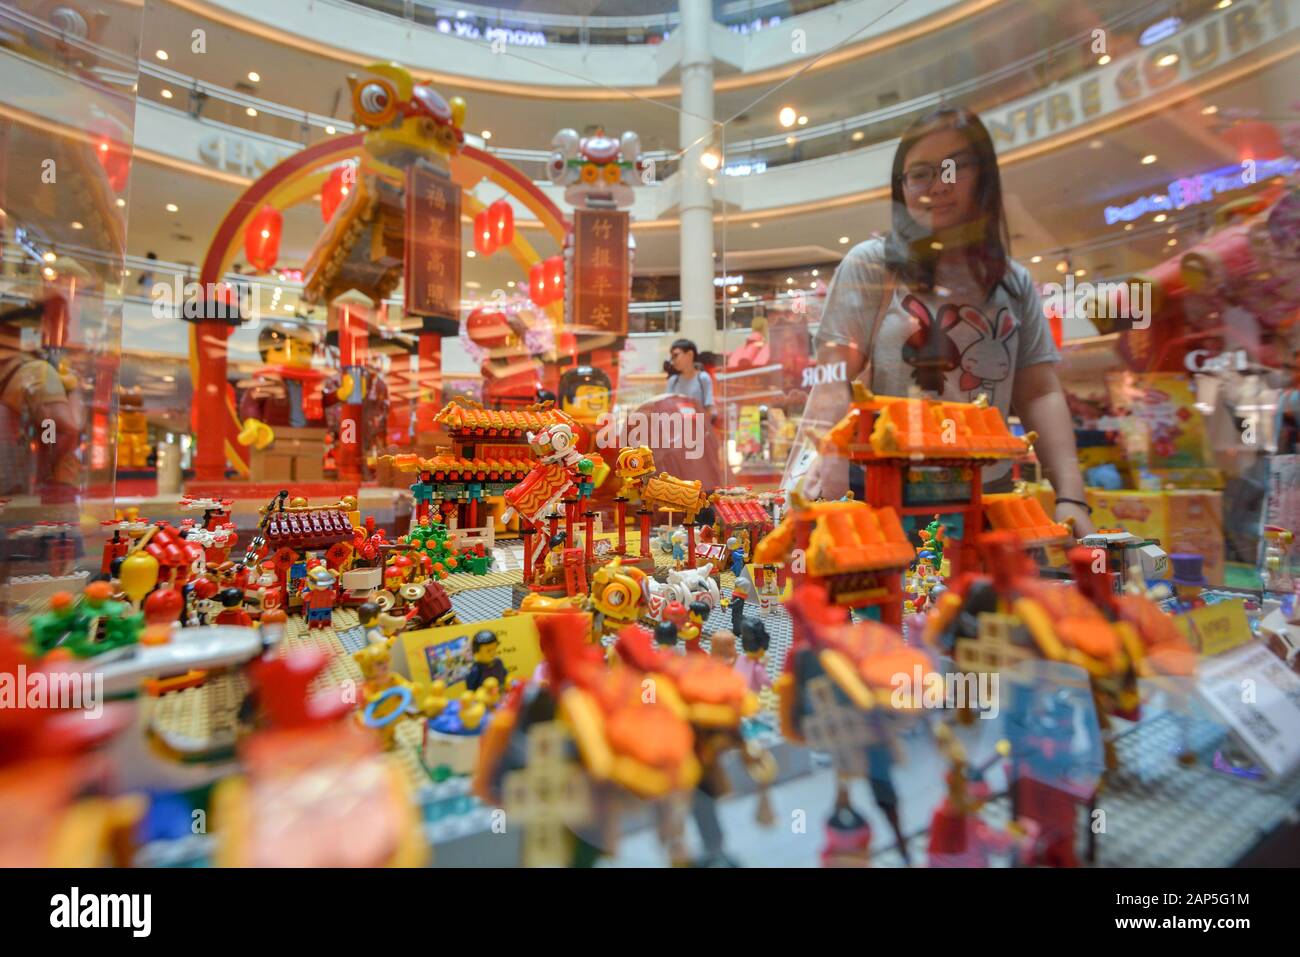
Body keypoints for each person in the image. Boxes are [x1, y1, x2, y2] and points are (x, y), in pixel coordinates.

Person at [803, 106, 1094, 537]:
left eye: (953, 168)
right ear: (902, 187)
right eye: (920, 174)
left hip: (986, 499)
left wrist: (1071, 497)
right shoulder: (873, 266)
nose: (938, 185)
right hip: (885, 496)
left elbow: (1039, 392)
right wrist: (831, 461)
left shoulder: (1012, 282)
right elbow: (833, 378)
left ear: (983, 177)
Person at [665, 338, 715, 416]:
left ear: (690, 354)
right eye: (672, 357)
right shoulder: (673, 381)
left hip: (698, 422)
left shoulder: (703, 378)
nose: (673, 360)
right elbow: (666, 408)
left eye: (676, 355)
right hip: (677, 423)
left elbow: (710, 409)